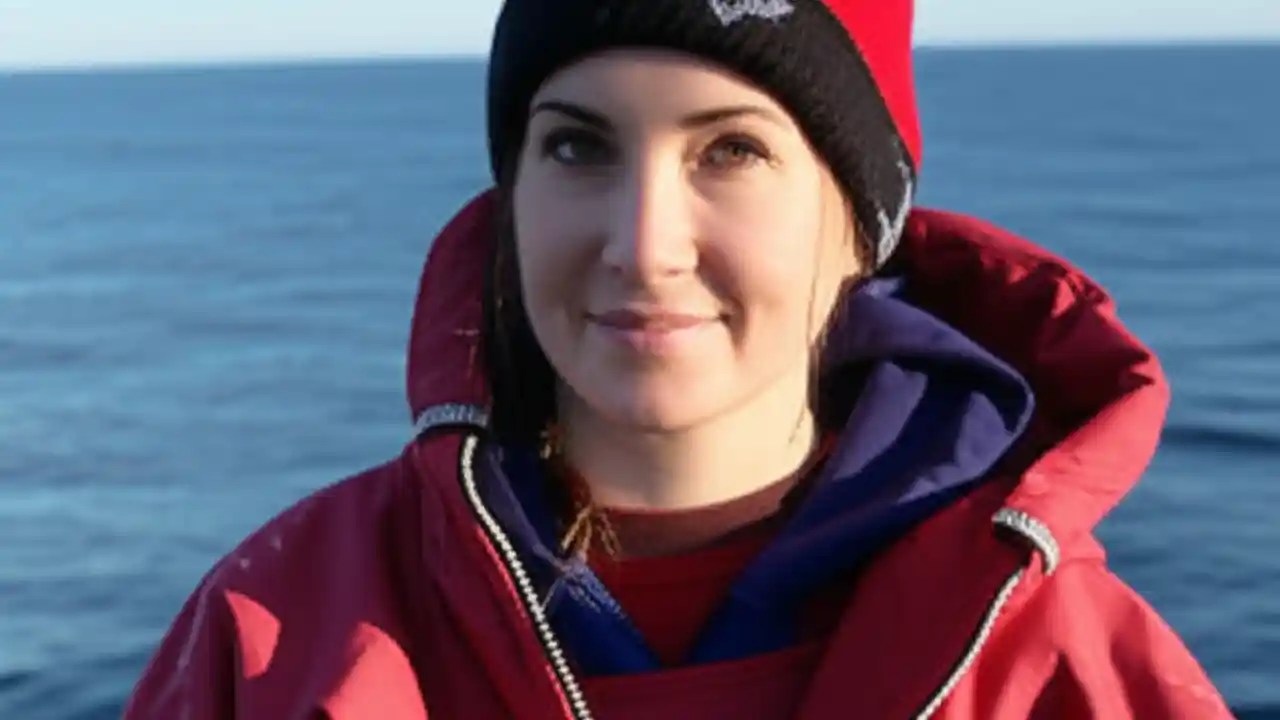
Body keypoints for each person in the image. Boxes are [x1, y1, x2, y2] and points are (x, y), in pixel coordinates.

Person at [124, 1, 1233, 718]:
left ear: (861, 225)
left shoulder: (1062, 663)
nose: (643, 246)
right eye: (576, 145)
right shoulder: (280, 629)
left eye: (731, 149)